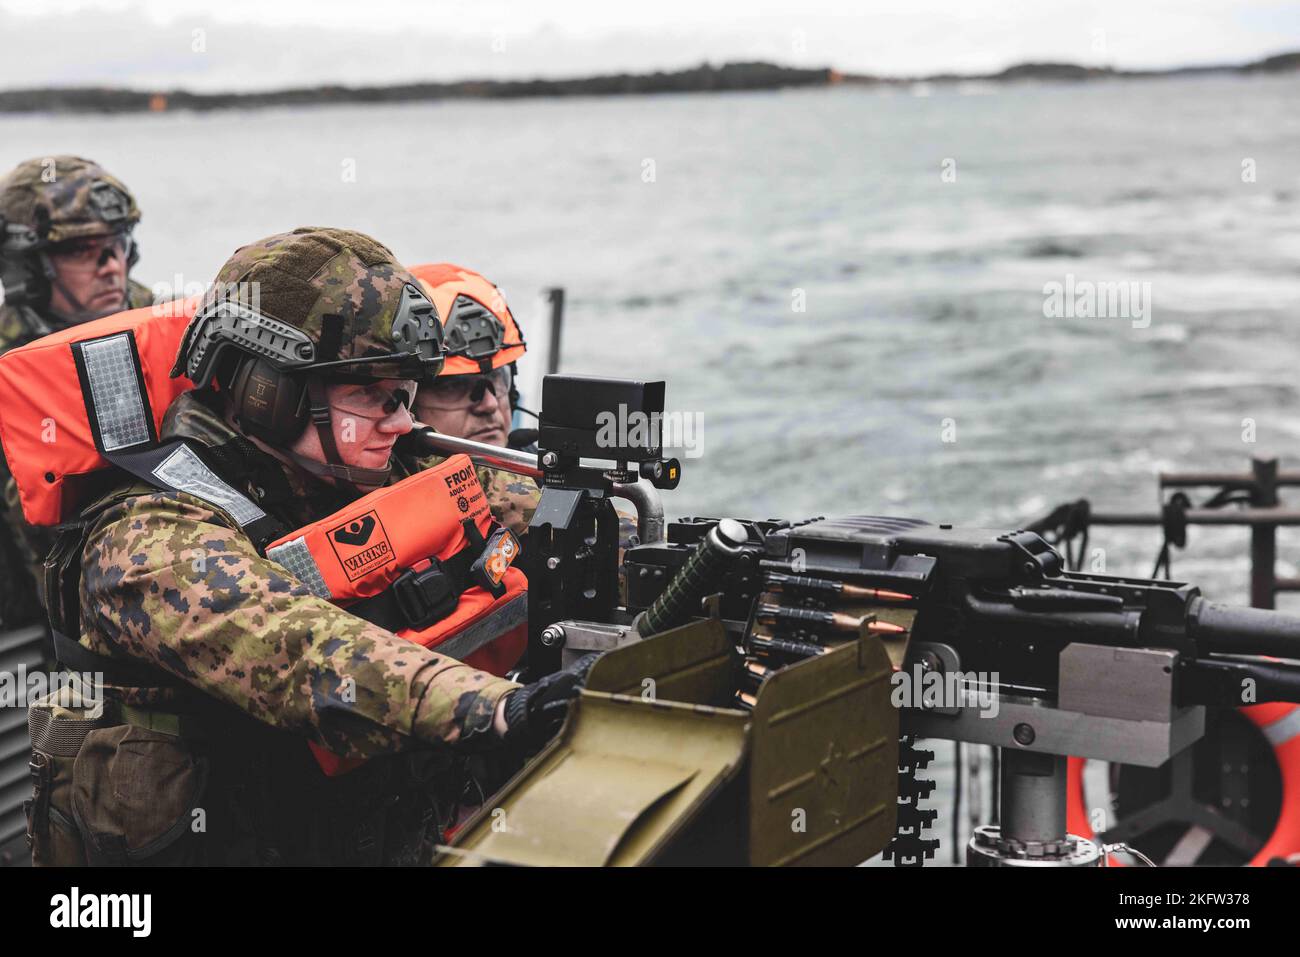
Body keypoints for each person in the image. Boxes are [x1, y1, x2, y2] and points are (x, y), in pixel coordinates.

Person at [24, 227, 593, 866]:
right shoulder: (148, 536)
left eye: (405, 395)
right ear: (270, 393)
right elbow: (297, 650)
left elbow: (541, 516)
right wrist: (499, 708)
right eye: (369, 395)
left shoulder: (366, 461)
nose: (402, 421)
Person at [0, 156, 154, 627]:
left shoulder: (165, 327)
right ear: (28, 266)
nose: (112, 267)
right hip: (57, 610)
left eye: (119, 245)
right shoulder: (8, 366)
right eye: (83, 250)